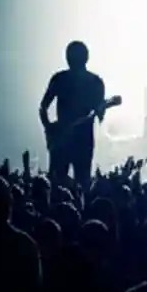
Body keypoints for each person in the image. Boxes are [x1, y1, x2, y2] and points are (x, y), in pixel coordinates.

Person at [40, 41, 107, 189]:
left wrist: (50, 128)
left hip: (65, 139)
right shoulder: (95, 82)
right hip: (81, 140)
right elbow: (100, 115)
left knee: (58, 185)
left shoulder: (59, 78)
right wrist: (49, 128)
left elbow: (43, 107)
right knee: (81, 185)